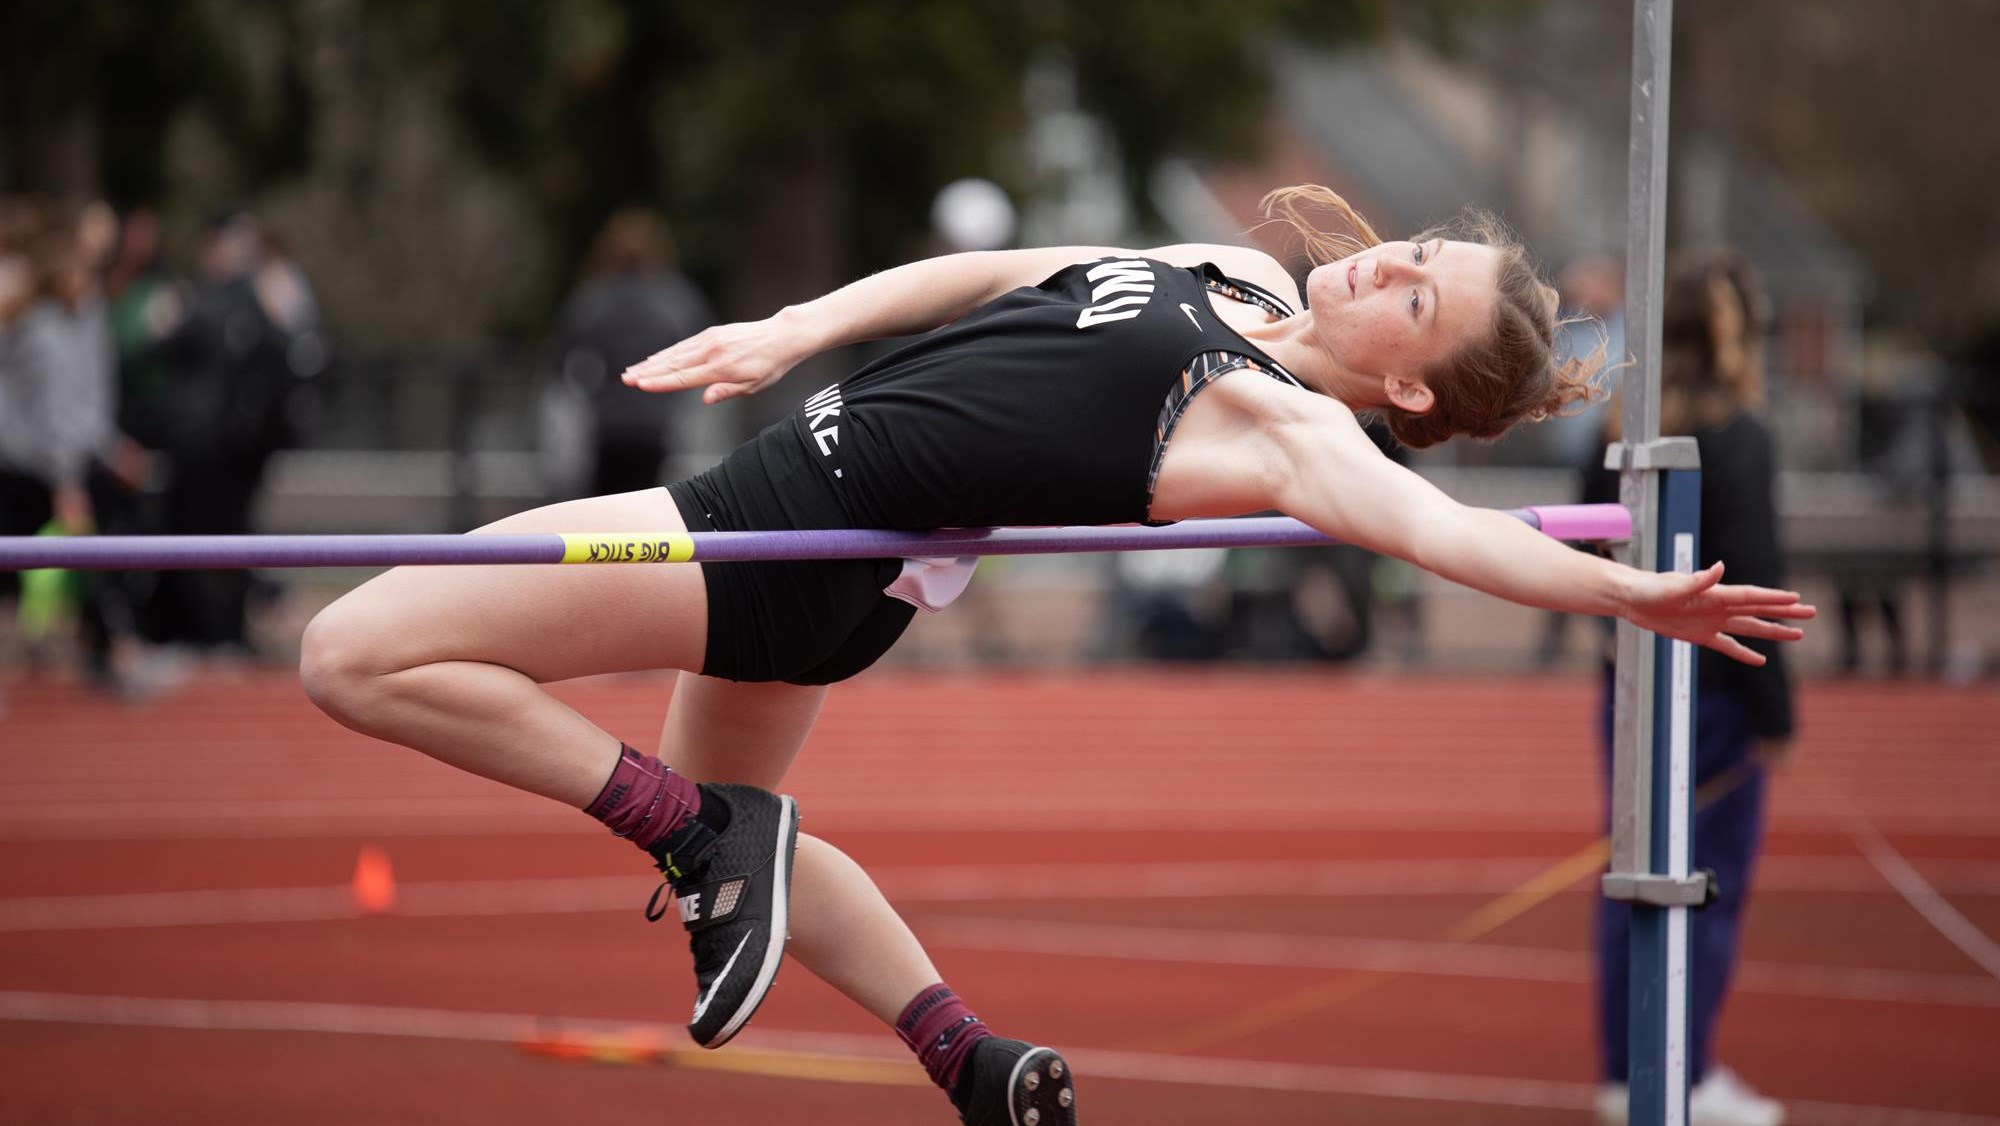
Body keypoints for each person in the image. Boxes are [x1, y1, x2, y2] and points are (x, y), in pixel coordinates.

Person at [299, 185, 1813, 1126]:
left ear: (1412, 379)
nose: (1376, 272)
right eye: (1409, 251)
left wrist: (1628, 595)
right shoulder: (1239, 274)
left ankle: (694, 832)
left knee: (353, 649)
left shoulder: (1284, 433)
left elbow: (1445, 536)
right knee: (740, 828)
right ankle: (964, 1050)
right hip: (843, 562)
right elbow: (992, 275)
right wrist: (796, 323)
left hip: (768, 524)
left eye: (1412, 295)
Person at [1584, 249, 1794, 1126]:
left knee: (1634, 869)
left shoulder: (1623, 426)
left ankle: (1625, 1067)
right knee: (1703, 881)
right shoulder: (1738, 437)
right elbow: (1757, 576)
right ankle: (1686, 1072)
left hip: (1628, 679)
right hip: (1707, 691)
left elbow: (1577, 546)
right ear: (1734, 334)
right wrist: (1776, 712)